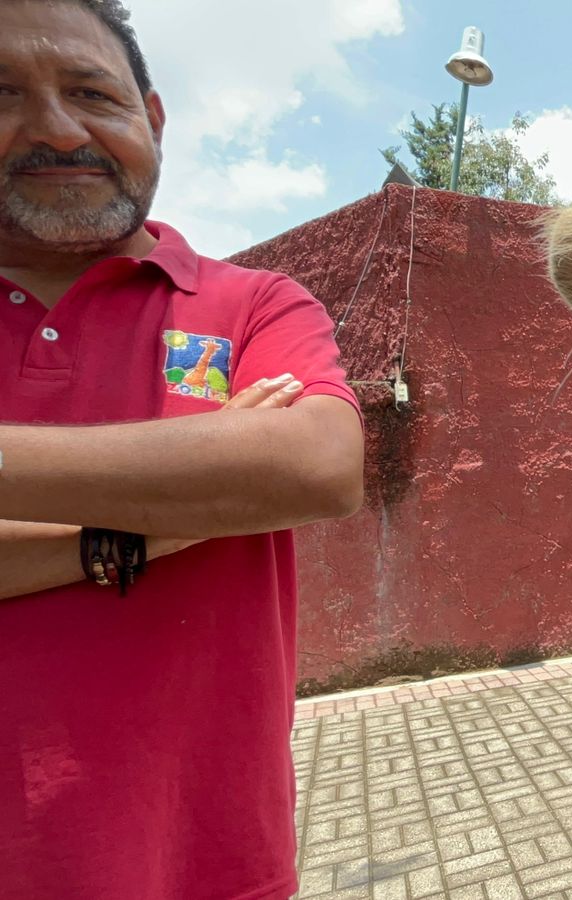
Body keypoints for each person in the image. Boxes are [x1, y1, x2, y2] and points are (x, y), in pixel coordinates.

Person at [0, 2, 364, 898]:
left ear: (151, 119)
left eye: (90, 92)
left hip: (211, 862)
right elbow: (253, 477)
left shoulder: (255, 303)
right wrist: (160, 522)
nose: (55, 127)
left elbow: (315, 465)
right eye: (2, 94)